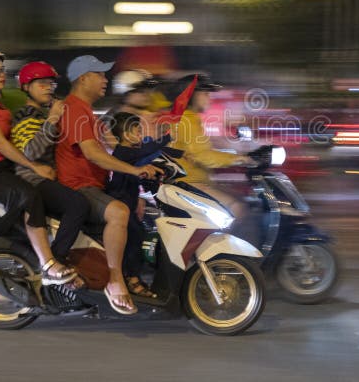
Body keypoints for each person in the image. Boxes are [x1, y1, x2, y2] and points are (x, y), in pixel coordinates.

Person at [55, 55, 163, 315]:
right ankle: (116, 281)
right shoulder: (74, 110)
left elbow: (115, 152)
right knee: (119, 212)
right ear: (83, 79)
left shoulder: (88, 113)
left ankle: (127, 274)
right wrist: (136, 170)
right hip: (80, 186)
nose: (105, 80)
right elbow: (93, 154)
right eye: (100, 75)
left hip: (97, 185)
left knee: (138, 217)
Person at [0, 48, 76, 285]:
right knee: (29, 196)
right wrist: (34, 167)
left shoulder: (0, 106)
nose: (1, 75)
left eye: (2, 70)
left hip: (4, 168)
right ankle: (48, 265)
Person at [11, 61, 89, 289]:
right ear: (26, 87)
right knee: (78, 204)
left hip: (48, 179)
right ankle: (55, 263)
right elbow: (30, 151)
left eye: (51, 83)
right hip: (32, 180)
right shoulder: (26, 114)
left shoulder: (40, 114)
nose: (48, 88)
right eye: (41, 83)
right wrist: (52, 119)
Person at [165, 74, 255, 233]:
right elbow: (202, 156)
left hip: (193, 181)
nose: (209, 98)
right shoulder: (186, 119)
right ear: (191, 96)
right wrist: (242, 159)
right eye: (205, 94)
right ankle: (227, 247)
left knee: (244, 199)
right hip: (188, 183)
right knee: (237, 207)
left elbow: (201, 151)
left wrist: (236, 158)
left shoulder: (186, 118)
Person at [105, 112, 173, 299]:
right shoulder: (123, 153)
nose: (141, 135)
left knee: (143, 231)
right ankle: (132, 277)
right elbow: (145, 151)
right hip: (120, 205)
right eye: (138, 131)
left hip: (129, 205)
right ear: (127, 135)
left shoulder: (129, 155)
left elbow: (142, 165)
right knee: (136, 234)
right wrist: (167, 137)